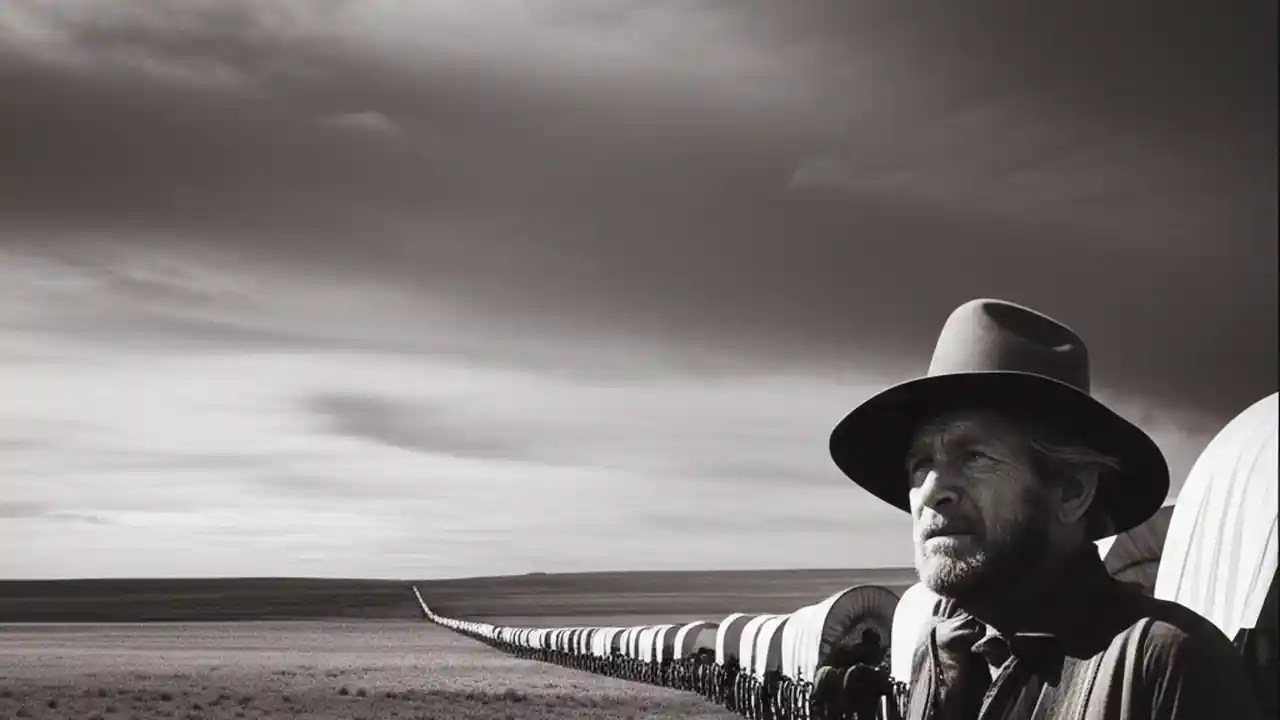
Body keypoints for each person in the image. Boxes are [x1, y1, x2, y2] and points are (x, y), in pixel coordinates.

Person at [828, 299, 1265, 719]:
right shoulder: (940, 656)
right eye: (920, 464)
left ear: (1072, 492)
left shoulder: (1165, 664)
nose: (932, 490)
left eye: (974, 457)